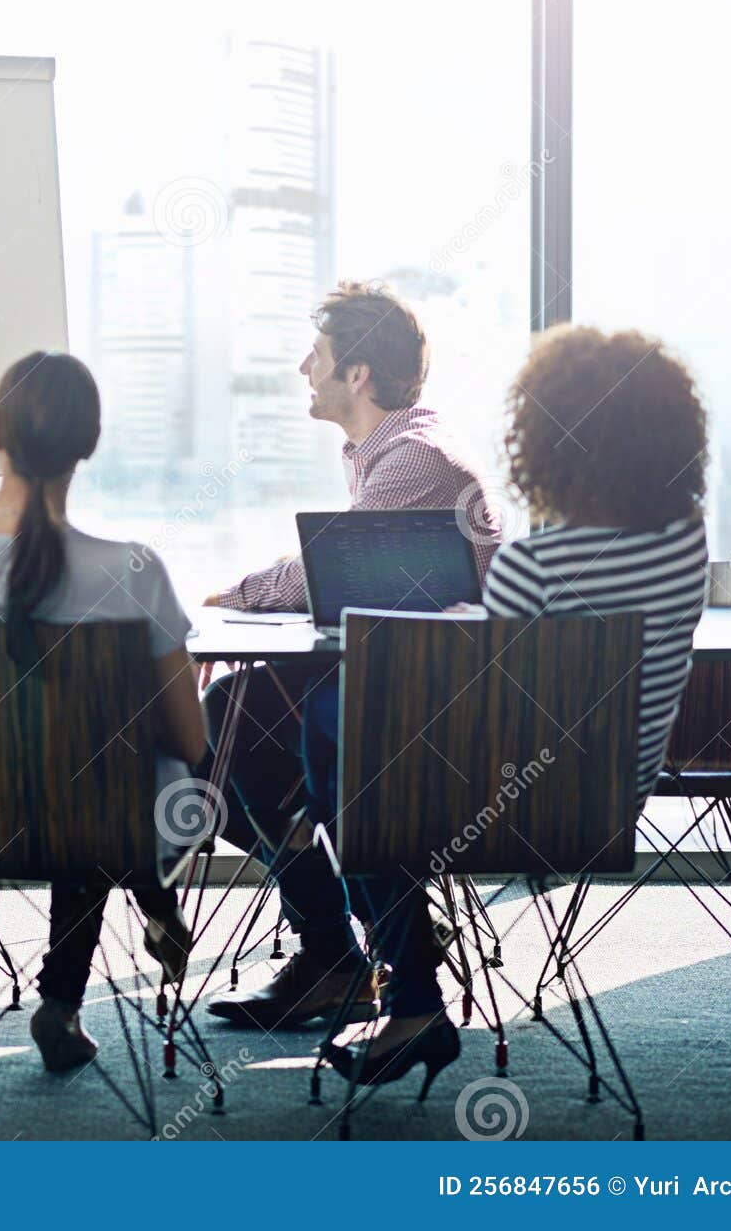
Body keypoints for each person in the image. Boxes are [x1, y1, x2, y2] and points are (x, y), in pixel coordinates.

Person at [219, 325, 709, 1102]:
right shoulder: (685, 547)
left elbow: (473, 698)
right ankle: (387, 953)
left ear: (550, 439)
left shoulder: (538, 561)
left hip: (501, 801)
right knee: (331, 739)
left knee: (336, 739)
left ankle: (405, 985)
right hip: (603, 802)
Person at [0, 352, 207, 1072]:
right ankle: (67, 995)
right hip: (98, 825)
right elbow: (191, 740)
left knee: (70, 772)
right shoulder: (133, 569)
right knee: (94, 776)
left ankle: (74, 987)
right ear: (89, 444)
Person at [202, 279, 500, 1028]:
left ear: (358, 374)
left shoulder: (415, 460)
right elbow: (341, 575)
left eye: (319, 355)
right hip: (392, 691)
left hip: (435, 720)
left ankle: (356, 941)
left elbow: (320, 569)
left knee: (249, 728)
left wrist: (232, 595)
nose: (306, 368)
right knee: (231, 724)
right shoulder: (383, 451)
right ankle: (343, 948)